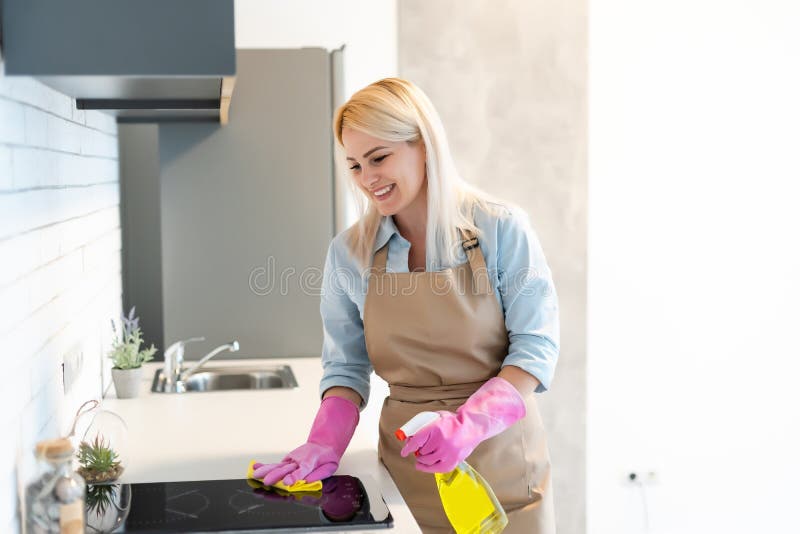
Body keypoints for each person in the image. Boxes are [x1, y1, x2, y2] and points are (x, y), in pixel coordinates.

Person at [251, 78, 559, 533]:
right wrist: (324, 443)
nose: (367, 178)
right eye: (355, 165)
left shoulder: (500, 229)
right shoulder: (350, 253)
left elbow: (535, 350)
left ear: (424, 146)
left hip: (502, 477)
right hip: (407, 481)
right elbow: (345, 368)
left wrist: (468, 426)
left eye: (379, 157)